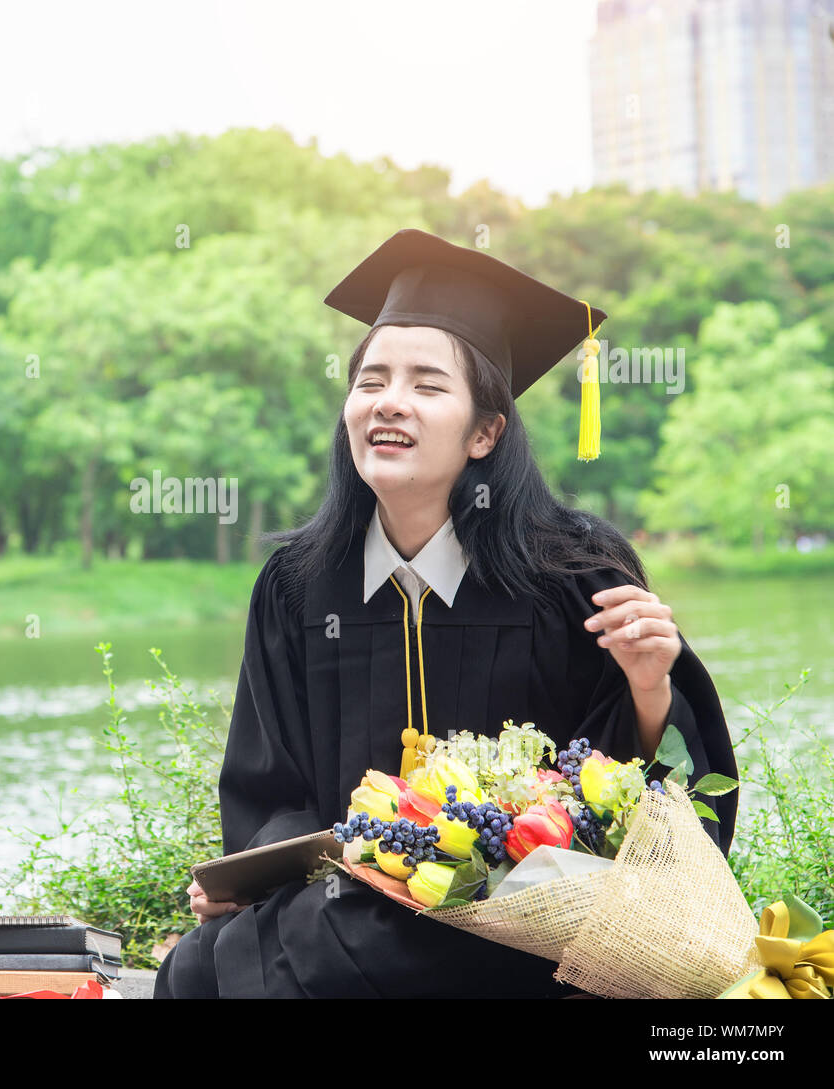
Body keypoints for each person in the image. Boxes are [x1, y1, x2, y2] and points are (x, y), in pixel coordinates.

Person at [153, 229, 739, 999]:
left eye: (427, 385)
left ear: (485, 432)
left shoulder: (575, 569)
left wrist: (649, 685)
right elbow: (271, 791)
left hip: (532, 920)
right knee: (198, 968)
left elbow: (652, 799)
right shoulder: (297, 585)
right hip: (349, 904)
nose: (389, 401)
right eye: (371, 380)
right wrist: (260, 873)